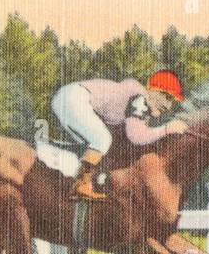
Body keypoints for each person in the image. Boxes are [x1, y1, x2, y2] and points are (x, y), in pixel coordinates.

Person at [50, 69, 188, 200]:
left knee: (96, 146)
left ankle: (75, 179)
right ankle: (81, 185)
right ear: (153, 90)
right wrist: (166, 129)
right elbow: (136, 136)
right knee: (102, 140)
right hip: (73, 98)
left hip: (68, 97)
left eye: (172, 101)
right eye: (167, 97)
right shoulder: (139, 99)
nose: (169, 106)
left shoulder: (138, 99)